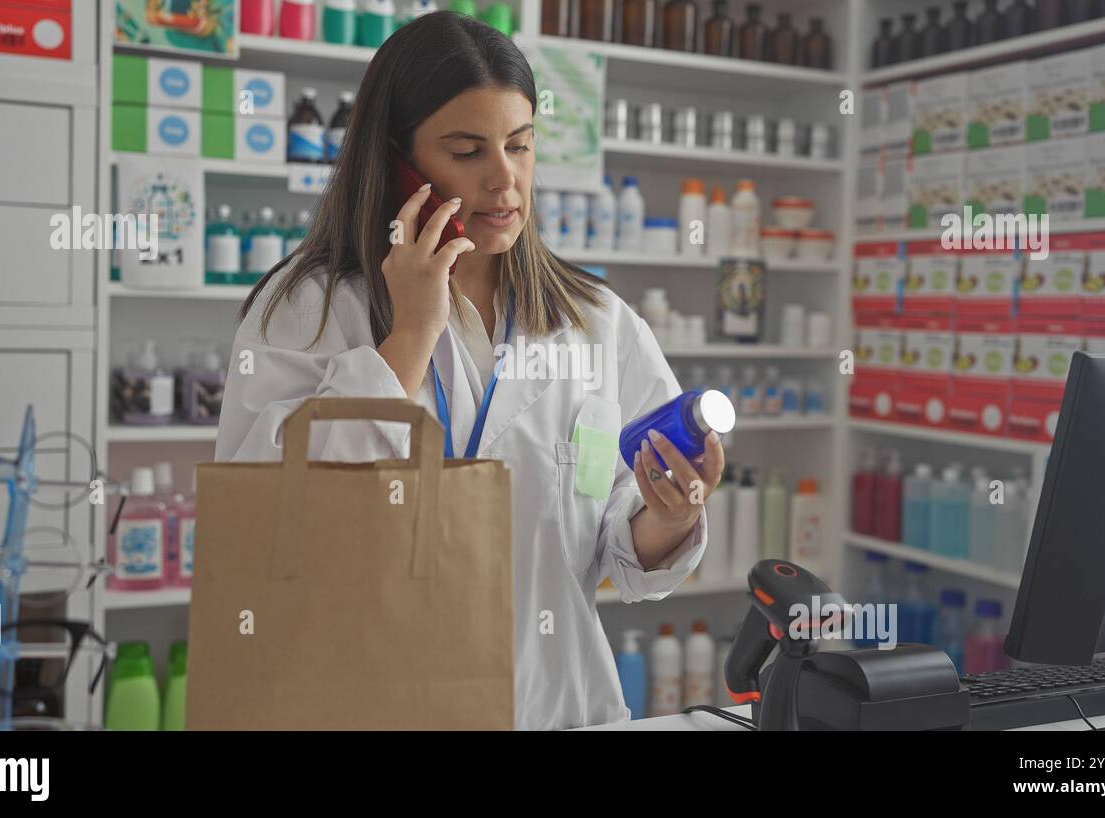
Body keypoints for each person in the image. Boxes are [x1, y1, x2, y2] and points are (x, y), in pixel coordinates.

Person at [216, 12, 726, 730]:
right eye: (466, 150)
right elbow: (267, 526)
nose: (503, 178)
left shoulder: (596, 320)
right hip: (368, 706)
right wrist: (413, 332)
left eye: (520, 146)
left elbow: (624, 550)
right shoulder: (310, 308)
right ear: (398, 161)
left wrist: (670, 516)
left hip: (555, 705)